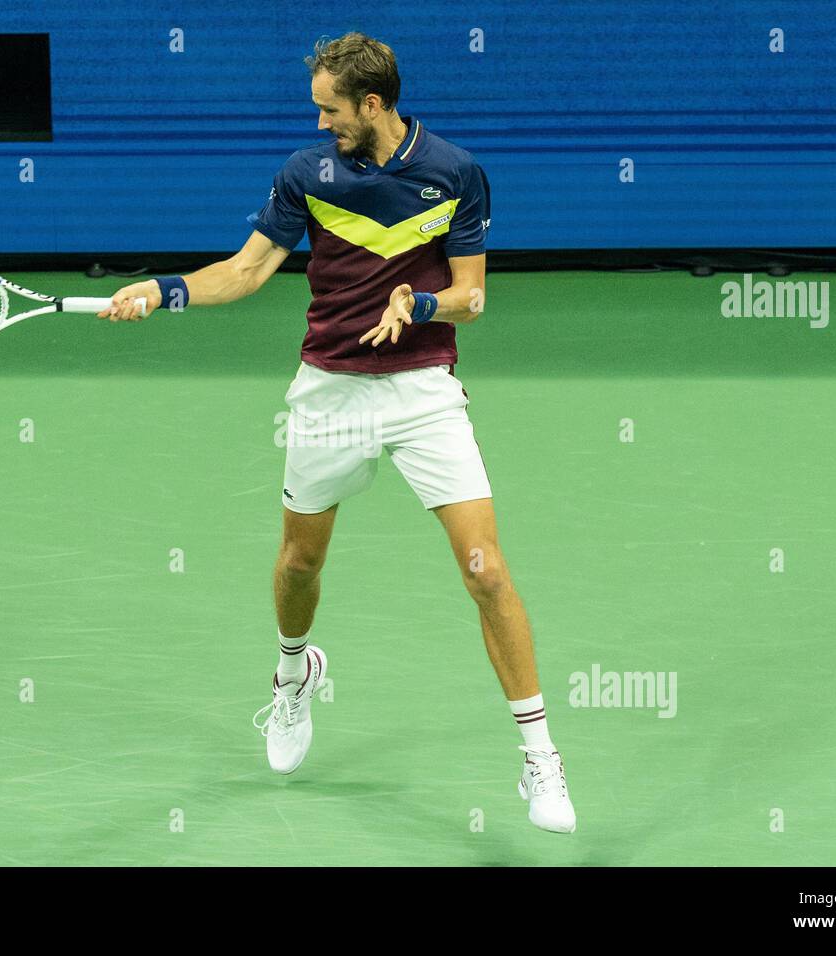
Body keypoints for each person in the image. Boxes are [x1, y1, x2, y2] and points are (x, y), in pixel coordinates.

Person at [101, 32, 575, 833]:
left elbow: (472, 297)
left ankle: (540, 759)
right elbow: (248, 270)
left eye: (330, 109)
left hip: (424, 392)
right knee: (298, 563)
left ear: (373, 104)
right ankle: (294, 675)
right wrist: (163, 288)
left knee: (487, 570)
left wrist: (417, 305)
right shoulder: (305, 174)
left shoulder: (454, 173)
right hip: (327, 392)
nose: (320, 122)